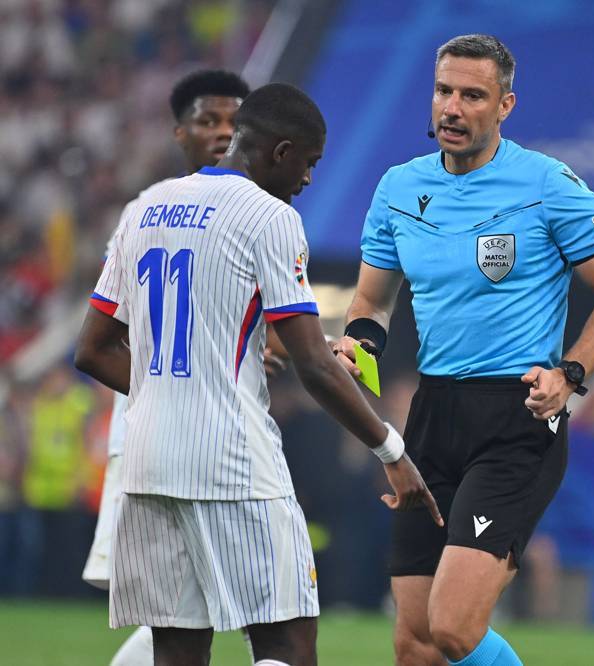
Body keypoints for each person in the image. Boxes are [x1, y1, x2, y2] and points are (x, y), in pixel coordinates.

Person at [75, 82, 441, 666]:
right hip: (233, 459)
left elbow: (91, 350)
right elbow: (315, 366)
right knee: (285, 642)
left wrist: (177, 387)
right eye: (309, 163)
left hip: (145, 461)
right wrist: (392, 451)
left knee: (174, 649)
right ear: (281, 151)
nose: (309, 180)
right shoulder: (271, 217)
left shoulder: (144, 208)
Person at [333, 34, 594, 666]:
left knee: (452, 627)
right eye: (445, 91)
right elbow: (371, 303)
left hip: (516, 417)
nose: (452, 107)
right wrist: (358, 346)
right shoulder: (398, 188)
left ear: (505, 106)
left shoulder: (545, 183)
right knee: (414, 644)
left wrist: (571, 374)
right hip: (433, 414)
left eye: (473, 95)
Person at [80, 68, 262, 666]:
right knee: (202, 608)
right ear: (179, 132)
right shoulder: (146, 211)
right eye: (208, 120)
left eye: (234, 122)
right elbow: (119, 331)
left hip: (224, 437)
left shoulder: (255, 213)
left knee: (200, 607)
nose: (222, 133)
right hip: (155, 432)